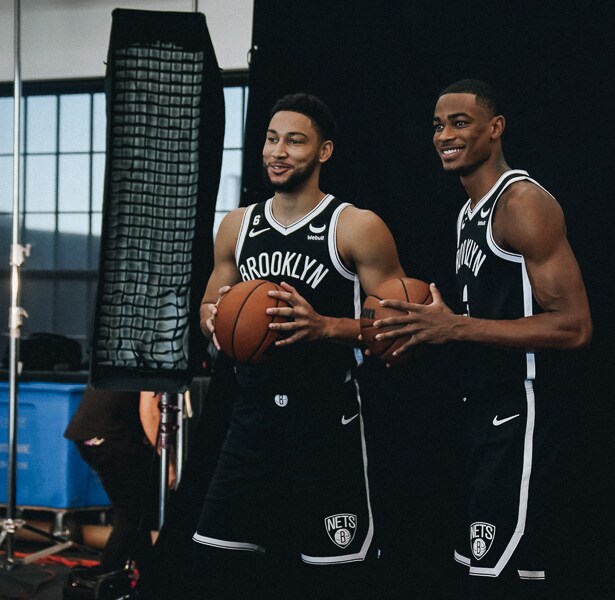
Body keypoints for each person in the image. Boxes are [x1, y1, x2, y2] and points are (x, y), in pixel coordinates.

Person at [372, 79, 593, 598]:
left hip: (526, 411)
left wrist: (456, 327)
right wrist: (434, 327)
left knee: (500, 576)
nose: (444, 135)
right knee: (500, 571)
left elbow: (575, 325)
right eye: (437, 125)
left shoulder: (522, 204)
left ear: (495, 129)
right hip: (483, 410)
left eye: (459, 122)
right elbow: (483, 318)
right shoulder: (469, 212)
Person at [192, 92, 405, 599]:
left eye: (294, 140)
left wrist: (325, 326)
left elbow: (402, 328)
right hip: (252, 416)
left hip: (327, 419)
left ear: (324, 152)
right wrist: (219, 318)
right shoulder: (237, 225)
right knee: (219, 569)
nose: (277, 151)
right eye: (271, 139)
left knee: (334, 576)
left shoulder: (355, 226)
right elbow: (205, 311)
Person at [63, 388, 169, 582]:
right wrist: (167, 460)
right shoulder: (156, 362)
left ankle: (151, 574)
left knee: (136, 513)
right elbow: (149, 412)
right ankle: (107, 578)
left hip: (96, 433)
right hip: (109, 435)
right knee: (131, 513)